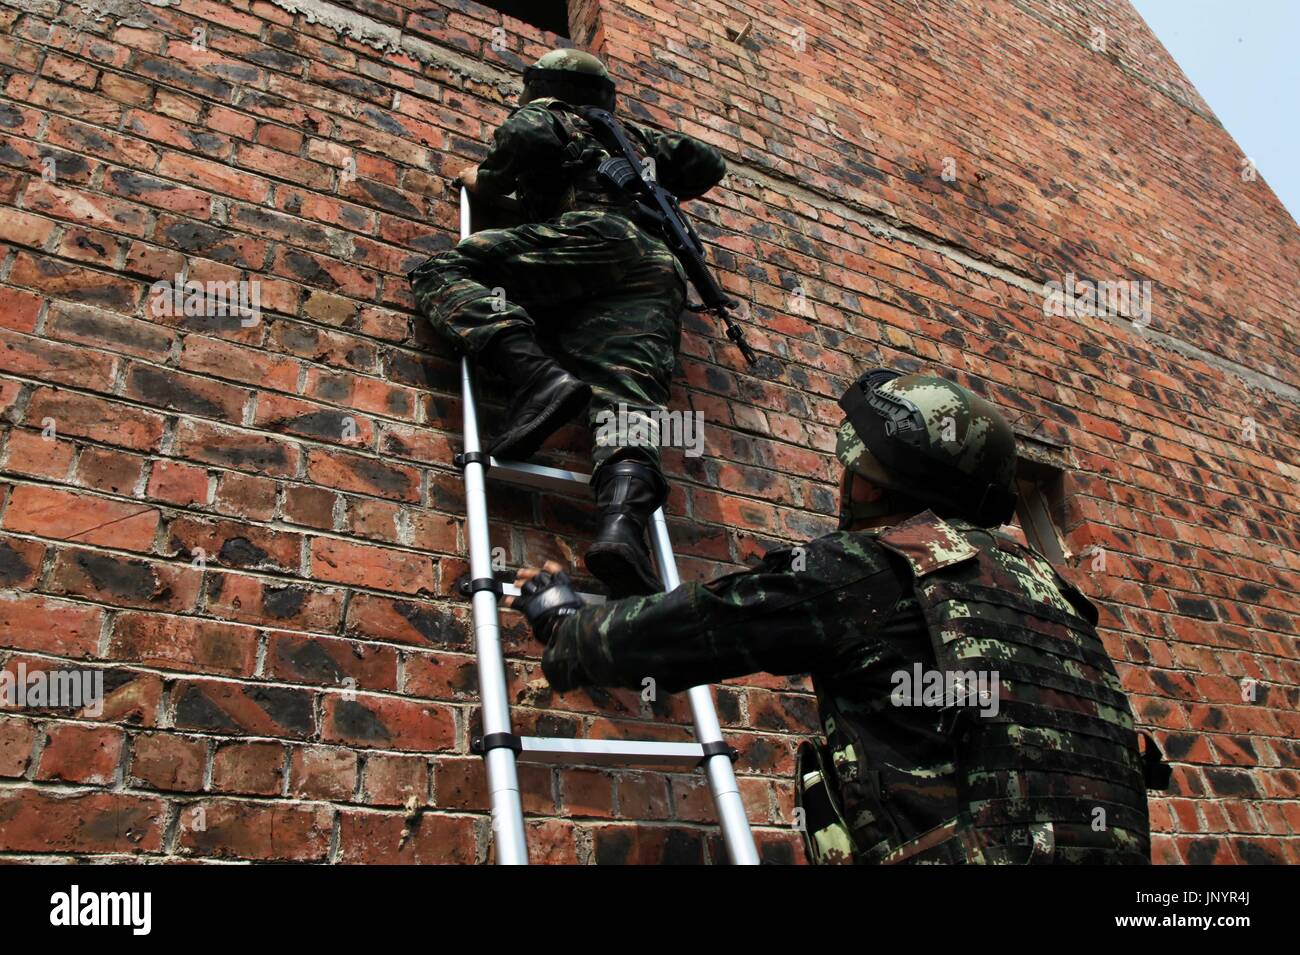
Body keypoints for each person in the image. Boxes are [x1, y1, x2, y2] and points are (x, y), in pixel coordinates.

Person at [506, 369, 1154, 864]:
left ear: (873, 482)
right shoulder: (1053, 594)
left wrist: (568, 627)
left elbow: (709, 624)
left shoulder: (879, 568)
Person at [408, 48, 727, 597]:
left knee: (445, 270)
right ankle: (620, 531)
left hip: (593, 239)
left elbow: (523, 139)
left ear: (544, 84)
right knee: (627, 398)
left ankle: (538, 377)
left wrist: (486, 180)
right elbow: (708, 162)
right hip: (656, 269)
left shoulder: (552, 114)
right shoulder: (635, 141)